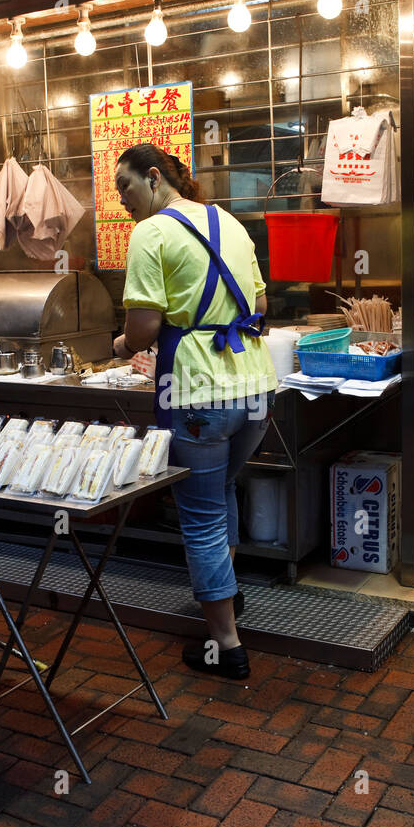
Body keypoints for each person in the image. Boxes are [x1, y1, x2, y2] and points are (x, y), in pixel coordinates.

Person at [111, 143, 277, 680]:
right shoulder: (230, 223)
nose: (122, 202)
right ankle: (229, 597)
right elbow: (261, 306)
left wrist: (119, 346)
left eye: (126, 188)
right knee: (223, 491)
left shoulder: (151, 234)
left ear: (155, 178)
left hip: (196, 394)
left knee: (200, 518)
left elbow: (143, 330)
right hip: (255, 388)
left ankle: (225, 645)